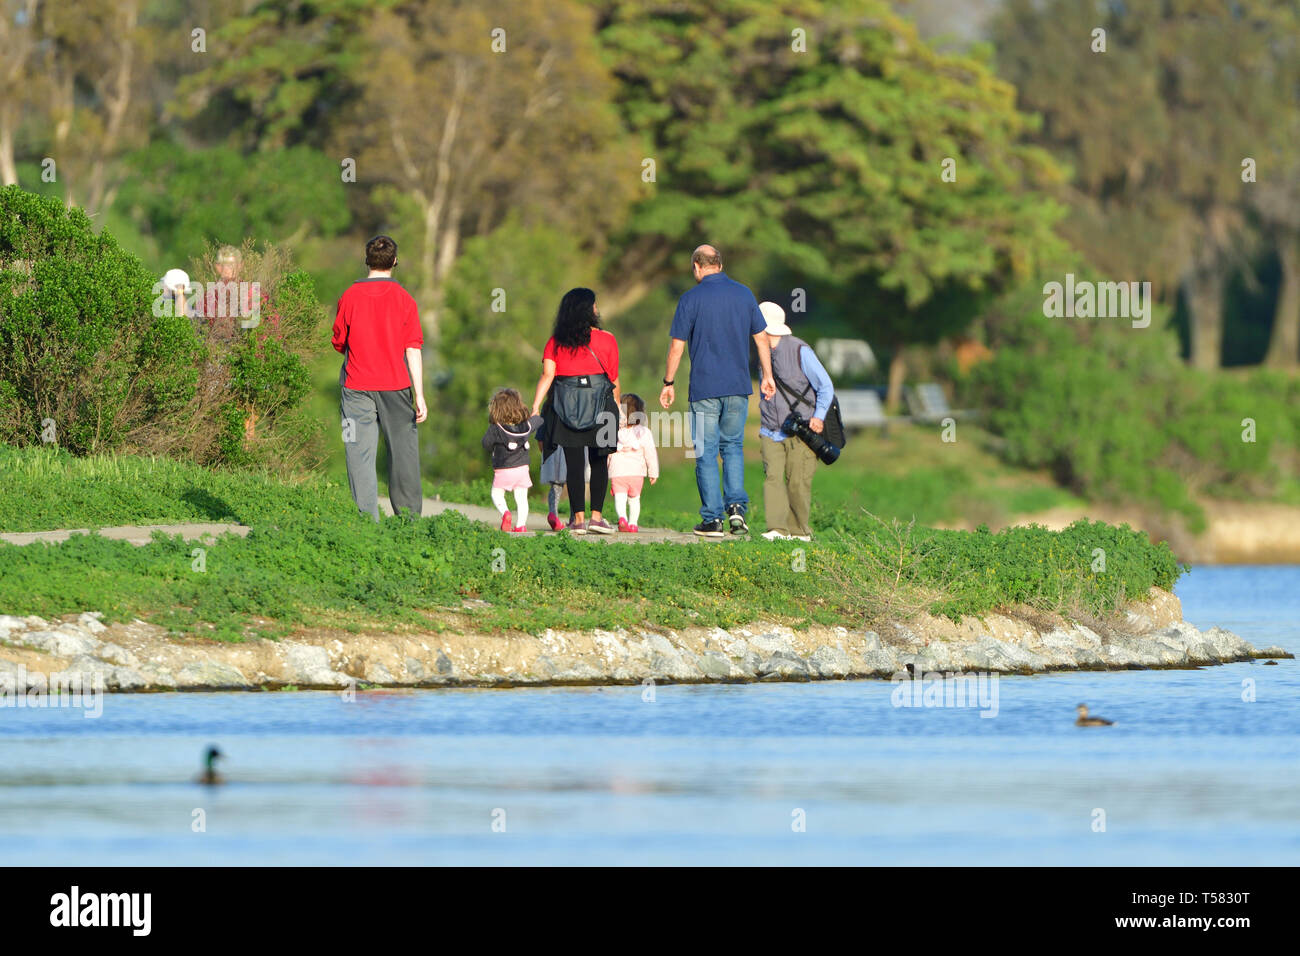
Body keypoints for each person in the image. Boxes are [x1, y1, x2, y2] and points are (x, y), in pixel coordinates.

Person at [659, 244, 775, 537]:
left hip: (704, 389)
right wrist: (767, 377)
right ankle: (736, 511)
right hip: (737, 387)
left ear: (697, 267)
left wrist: (668, 382)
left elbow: (676, 346)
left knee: (706, 452)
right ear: (719, 264)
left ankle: (712, 520)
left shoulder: (689, 299)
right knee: (733, 447)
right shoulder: (744, 294)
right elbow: (761, 338)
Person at [331, 235, 428, 520]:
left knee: (358, 453)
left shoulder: (349, 296)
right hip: (396, 386)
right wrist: (419, 395)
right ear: (395, 262)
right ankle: (409, 521)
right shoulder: (405, 299)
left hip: (356, 386)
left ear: (366, 260)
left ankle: (366, 521)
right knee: (403, 454)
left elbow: (339, 342)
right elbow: (413, 348)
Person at [531, 288, 620, 535]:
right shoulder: (608, 339)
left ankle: (578, 520)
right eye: (594, 305)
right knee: (600, 461)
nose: (597, 309)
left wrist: (536, 407)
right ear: (587, 309)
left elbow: (548, 376)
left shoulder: (555, 342)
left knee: (573, 464)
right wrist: (619, 412)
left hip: (566, 406)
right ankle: (597, 518)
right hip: (602, 405)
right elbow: (613, 379)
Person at [756, 301, 834, 541]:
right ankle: (777, 530)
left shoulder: (800, 351)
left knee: (797, 483)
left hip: (802, 430)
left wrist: (819, 416)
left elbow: (826, 386)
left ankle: (799, 532)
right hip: (770, 429)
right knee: (773, 479)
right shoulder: (762, 352)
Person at [482, 387, 543, 533]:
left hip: (504, 468)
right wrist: (536, 414)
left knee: (496, 494)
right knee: (522, 498)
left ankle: (506, 513)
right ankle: (521, 525)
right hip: (522, 469)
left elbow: (485, 444)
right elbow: (538, 420)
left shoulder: (495, 428)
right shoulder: (526, 426)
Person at [607, 393, 659, 532]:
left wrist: (607, 468)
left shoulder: (614, 431)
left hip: (617, 471)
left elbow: (608, 453)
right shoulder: (644, 432)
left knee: (620, 498)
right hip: (636, 472)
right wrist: (653, 472)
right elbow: (650, 453)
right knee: (634, 499)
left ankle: (622, 517)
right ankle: (633, 524)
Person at [540, 444, 590, 531]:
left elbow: (540, 438)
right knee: (575, 484)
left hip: (554, 448)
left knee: (556, 485)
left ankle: (553, 513)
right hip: (573, 448)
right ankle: (574, 518)